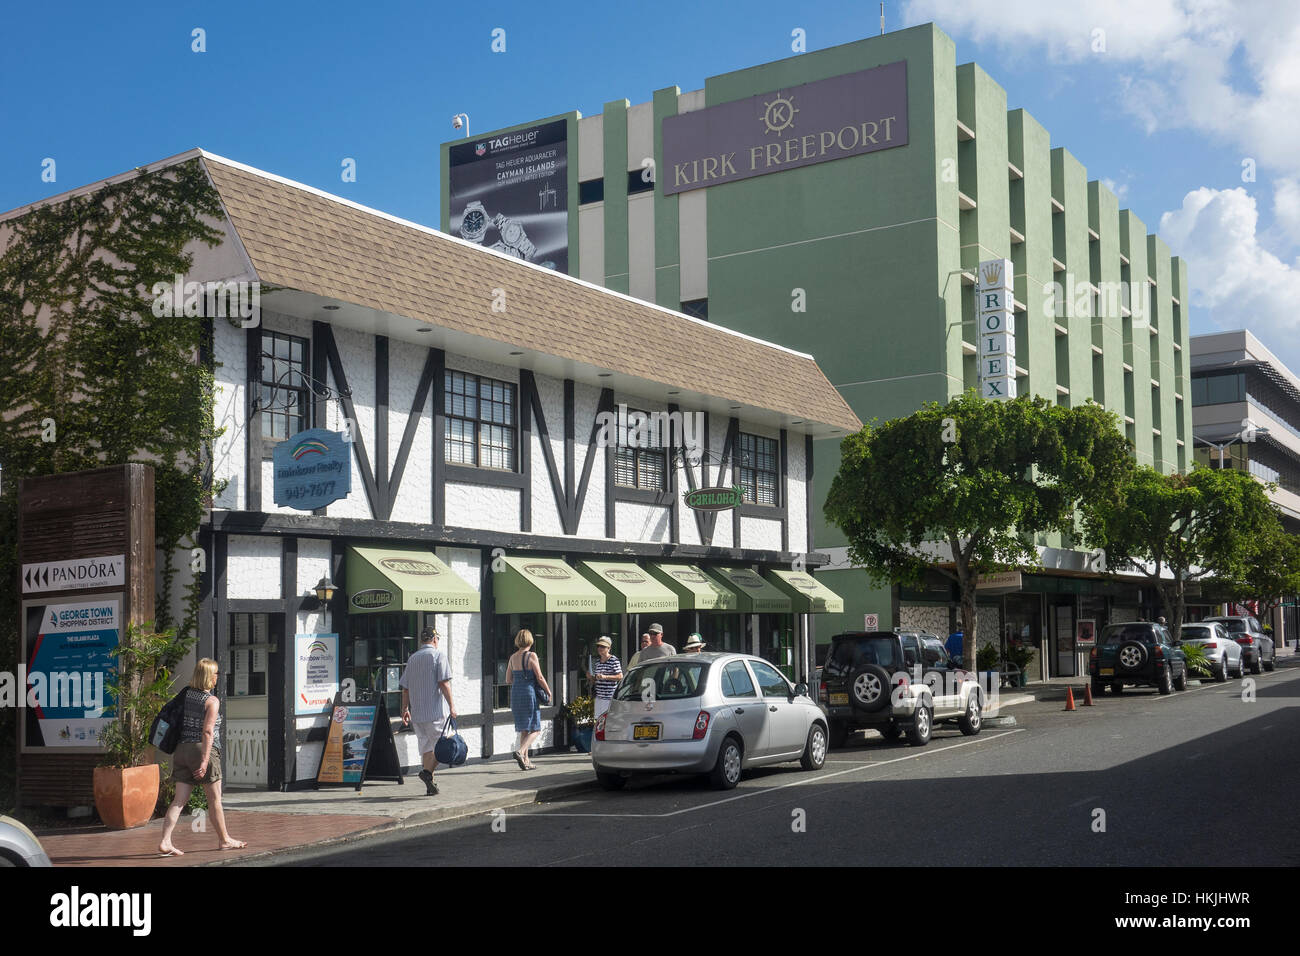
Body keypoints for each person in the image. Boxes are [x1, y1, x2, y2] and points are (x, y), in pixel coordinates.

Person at [158, 658, 245, 856]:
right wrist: (205, 761)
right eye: (215, 674)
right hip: (202, 750)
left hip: (182, 750)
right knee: (214, 800)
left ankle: (165, 841)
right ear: (208, 677)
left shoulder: (186, 695)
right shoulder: (211, 701)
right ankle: (224, 840)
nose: (217, 677)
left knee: (178, 801)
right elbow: (207, 732)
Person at [400, 627, 456, 796]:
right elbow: (444, 683)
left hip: (418, 714)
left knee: (426, 748)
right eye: (437, 638)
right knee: (444, 746)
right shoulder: (439, 656)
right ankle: (427, 773)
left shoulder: (413, 659)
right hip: (436, 712)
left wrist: (405, 709)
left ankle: (430, 785)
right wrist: (452, 705)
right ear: (434, 639)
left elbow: (405, 689)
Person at [506, 629, 552, 770]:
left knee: (524, 729)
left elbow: (508, 680)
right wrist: (548, 691)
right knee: (536, 729)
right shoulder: (532, 655)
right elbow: (539, 677)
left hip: (516, 694)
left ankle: (526, 761)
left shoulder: (513, 657)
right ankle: (520, 752)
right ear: (530, 640)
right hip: (528, 693)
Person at [589, 636, 623, 718]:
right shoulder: (597, 662)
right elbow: (596, 679)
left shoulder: (614, 660)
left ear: (609, 648)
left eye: (603, 646)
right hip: (599, 697)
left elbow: (620, 676)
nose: (600, 648)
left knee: (608, 720)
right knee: (598, 721)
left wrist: (605, 677)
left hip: (609, 698)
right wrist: (591, 677)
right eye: (598, 646)